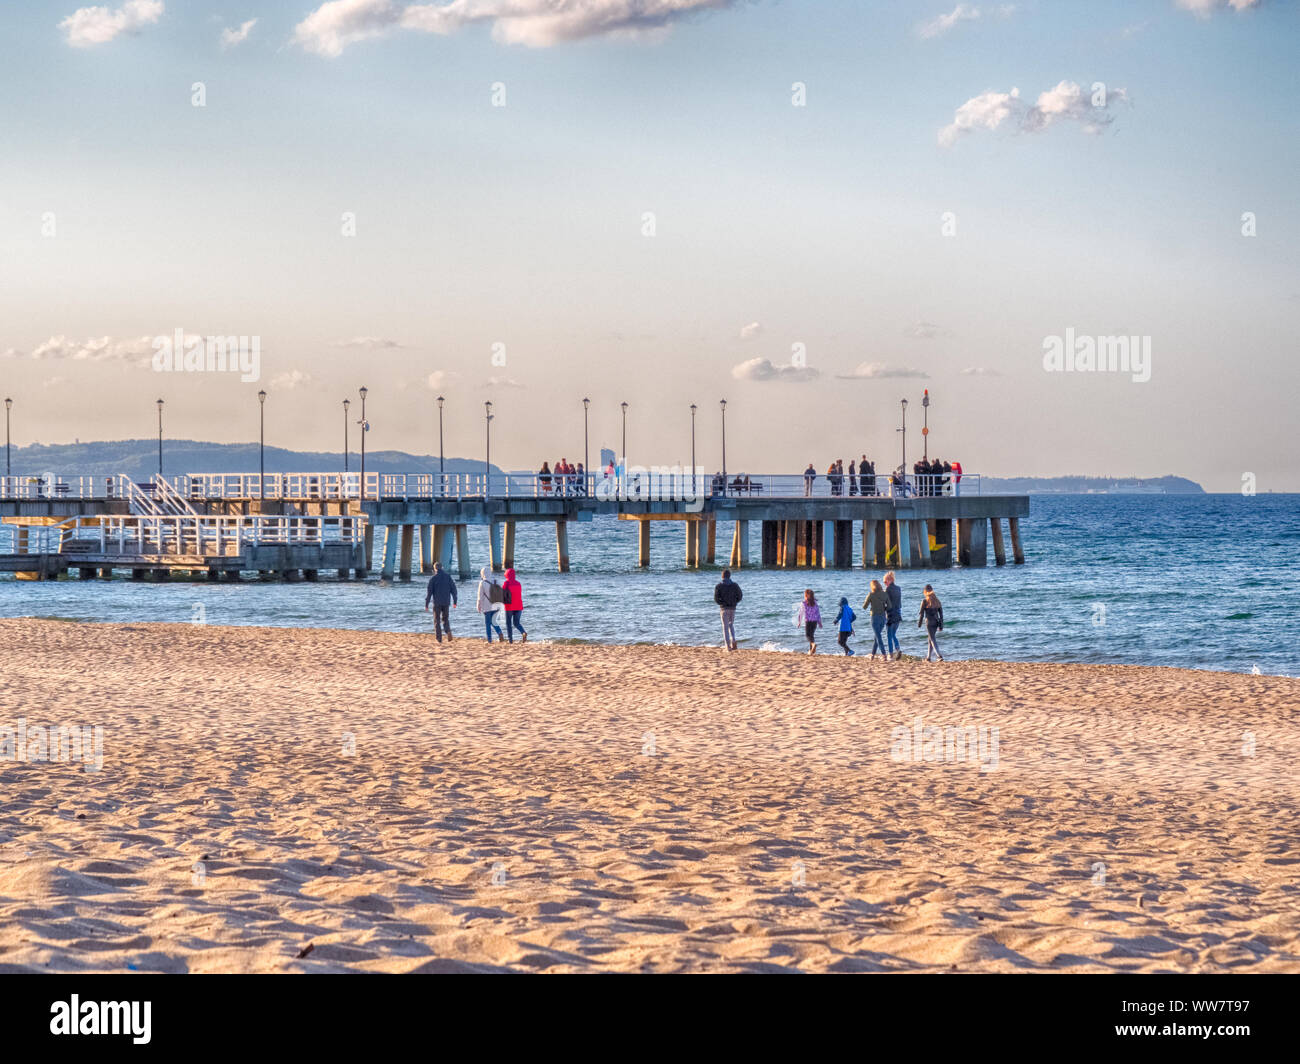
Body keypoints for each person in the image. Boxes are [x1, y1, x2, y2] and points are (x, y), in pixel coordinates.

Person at [424, 561, 458, 642]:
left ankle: (439, 639)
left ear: (435, 569)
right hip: (446, 602)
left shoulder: (433, 579)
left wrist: (426, 604)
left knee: (437, 620)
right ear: (442, 567)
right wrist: (455, 602)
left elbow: (429, 593)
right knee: (445, 619)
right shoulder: (448, 577)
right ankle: (448, 631)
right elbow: (454, 590)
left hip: (437, 602)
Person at [714, 568, 742, 651]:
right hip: (733, 608)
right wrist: (735, 602)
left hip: (724, 608)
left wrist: (721, 603)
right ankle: (733, 639)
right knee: (731, 624)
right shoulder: (735, 585)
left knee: (725, 627)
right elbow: (740, 595)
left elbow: (716, 598)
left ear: (722, 576)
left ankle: (728, 646)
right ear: (729, 576)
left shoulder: (719, 586)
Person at [476, 567, 505, 643]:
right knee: (493, 621)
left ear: (482, 573)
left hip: (487, 606)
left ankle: (489, 640)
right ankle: (500, 633)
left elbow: (480, 596)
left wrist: (478, 606)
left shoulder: (482, 583)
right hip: (496, 605)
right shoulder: (496, 581)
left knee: (488, 624)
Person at [863, 578, 889, 660]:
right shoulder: (885, 594)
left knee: (878, 637)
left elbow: (864, 607)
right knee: (877, 637)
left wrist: (869, 599)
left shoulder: (871, 594)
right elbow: (890, 606)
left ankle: (884, 655)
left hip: (874, 618)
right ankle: (873, 655)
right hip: (883, 618)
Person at [917, 583, 944, 662]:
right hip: (936, 622)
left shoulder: (925, 601)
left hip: (929, 622)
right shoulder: (937, 600)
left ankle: (939, 656)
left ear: (925, 592)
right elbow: (941, 614)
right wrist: (941, 625)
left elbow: (921, 614)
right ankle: (928, 657)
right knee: (930, 639)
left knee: (932, 639)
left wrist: (919, 624)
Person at [502, 566, 527, 643]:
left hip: (509, 607)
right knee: (516, 623)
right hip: (519, 606)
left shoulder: (506, 583)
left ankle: (510, 640)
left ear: (507, 575)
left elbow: (503, 595)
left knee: (508, 624)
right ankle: (523, 632)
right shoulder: (518, 583)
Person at [883, 570, 903, 659]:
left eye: (885, 582)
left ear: (889, 580)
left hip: (890, 615)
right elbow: (899, 603)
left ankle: (891, 655)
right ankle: (898, 650)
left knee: (889, 636)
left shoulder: (888, 589)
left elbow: (884, 602)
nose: (884, 583)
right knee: (893, 634)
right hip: (898, 614)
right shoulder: (898, 588)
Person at [796, 588, 822, 654]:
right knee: (811, 635)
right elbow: (818, 613)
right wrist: (819, 622)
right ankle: (811, 651)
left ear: (806, 596)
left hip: (808, 621)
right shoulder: (815, 603)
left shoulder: (803, 603)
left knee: (808, 635)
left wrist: (799, 622)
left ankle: (813, 645)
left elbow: (800, 613)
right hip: (815, 621)